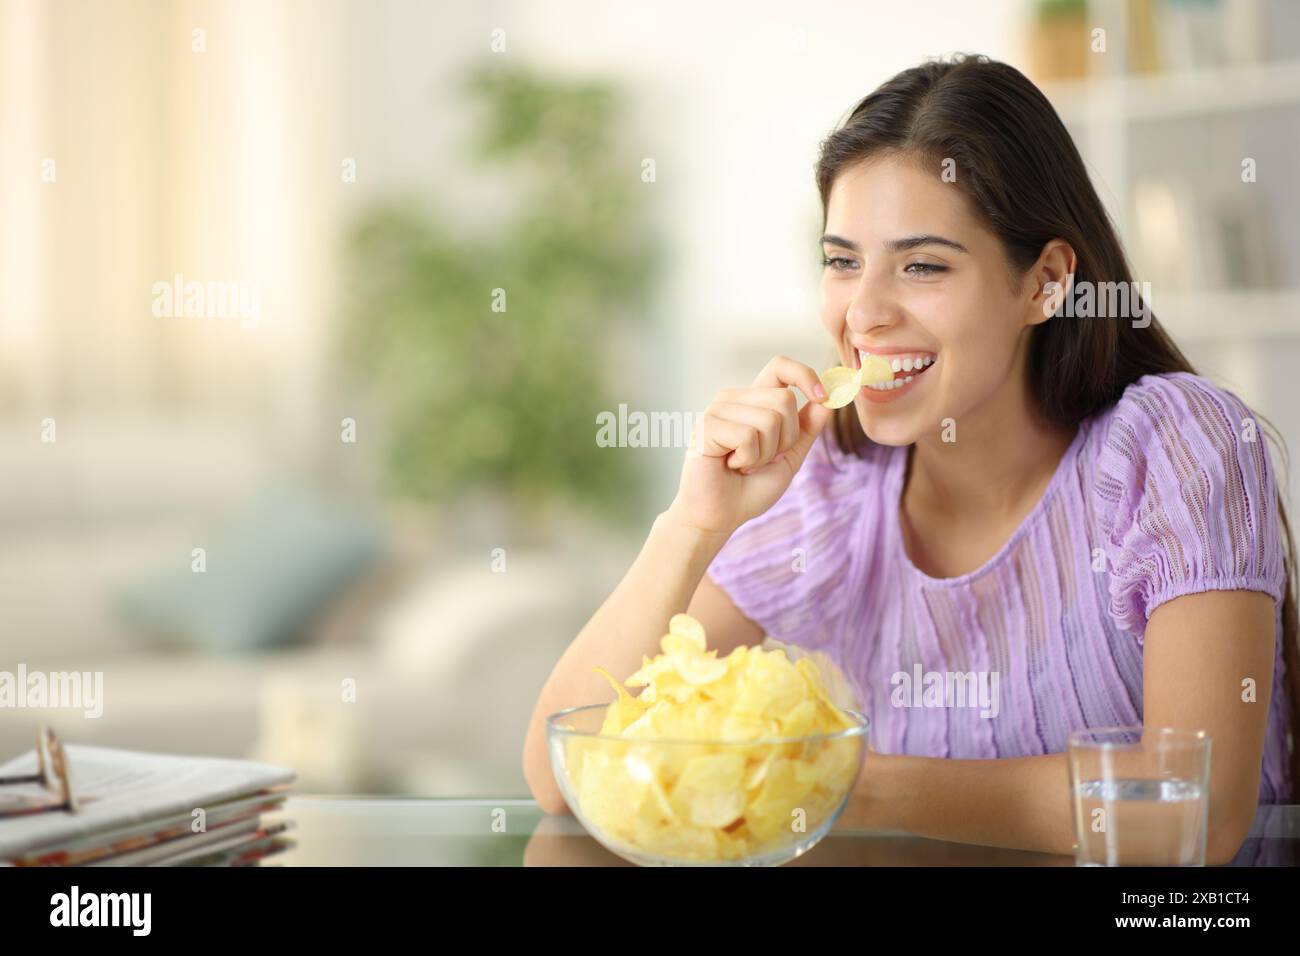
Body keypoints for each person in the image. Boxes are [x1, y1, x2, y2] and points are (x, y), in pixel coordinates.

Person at [523, 53, 1297, 865]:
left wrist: (840, 783)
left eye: (923, 265)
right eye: (843, 260)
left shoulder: (1173, 447)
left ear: (1045, 282)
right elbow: (559, 774)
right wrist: (693, 525)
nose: (865, 311)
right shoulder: (828, 493)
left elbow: (1194, 814)